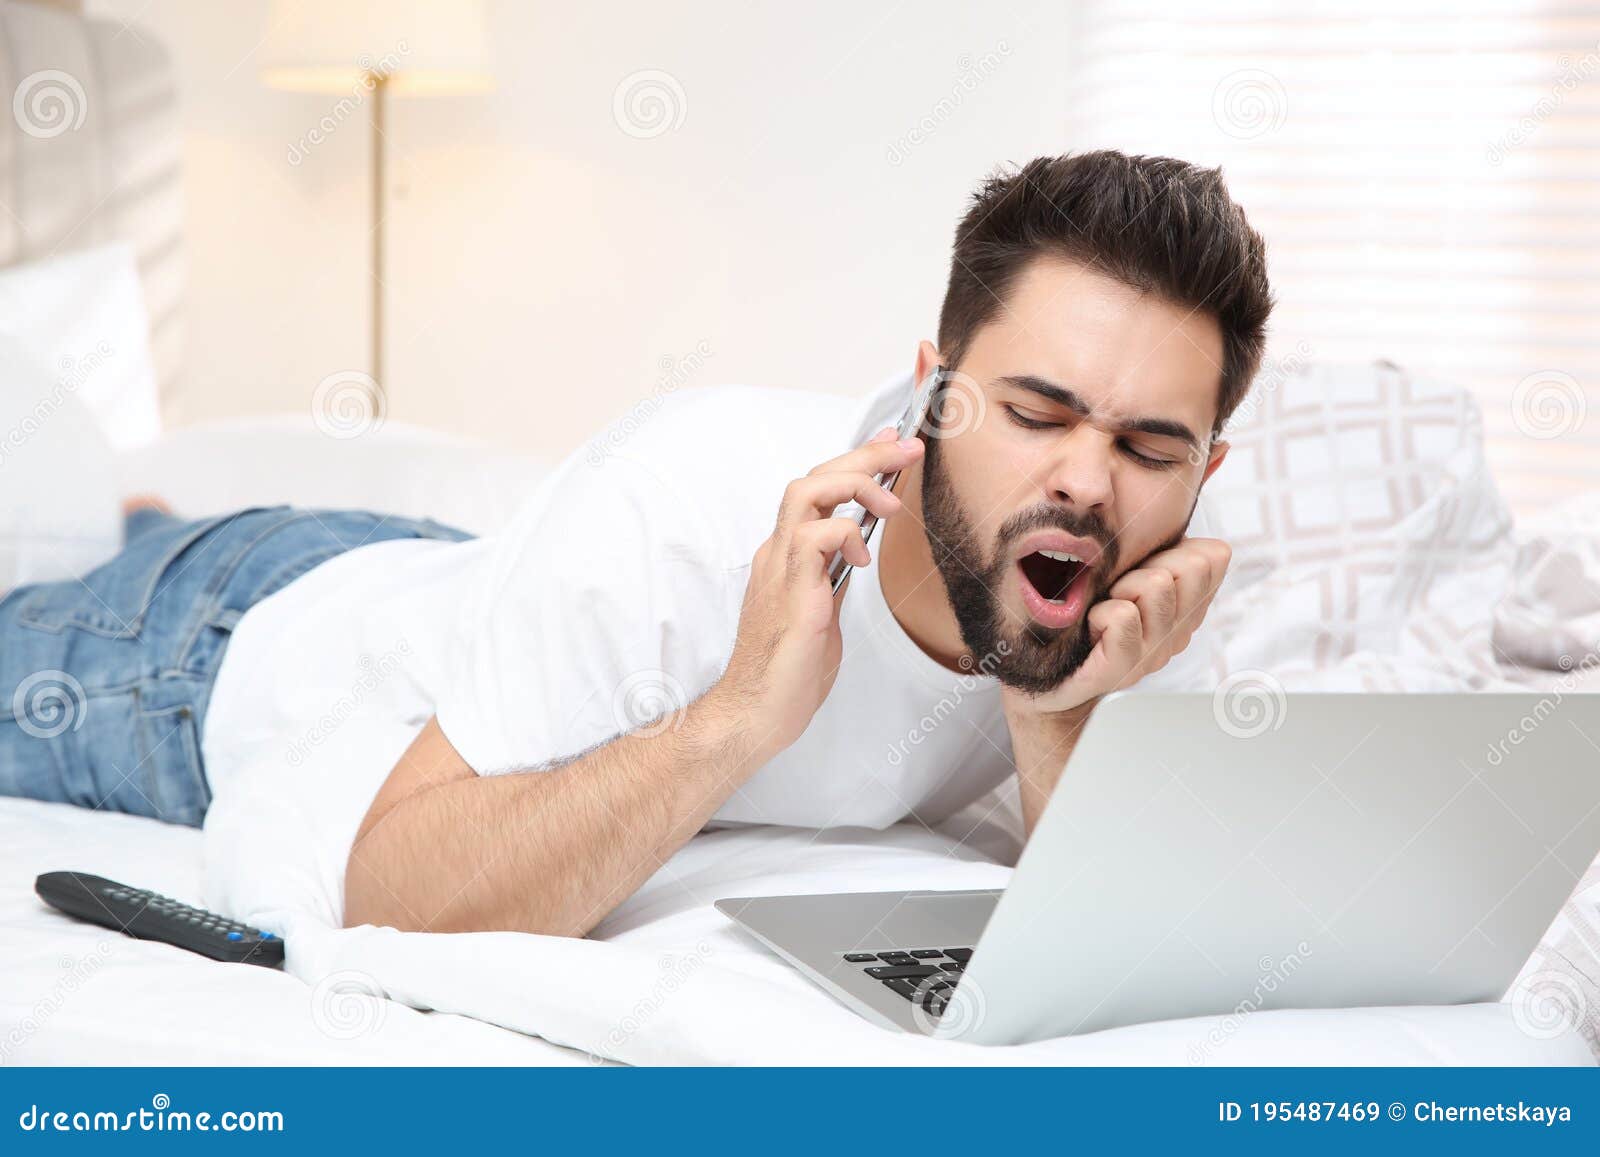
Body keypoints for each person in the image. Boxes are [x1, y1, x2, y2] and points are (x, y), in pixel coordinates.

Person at [0, 150, 1271, 937]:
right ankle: (154, 537)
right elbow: (395, 893)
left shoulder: (1150, 580)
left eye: (1148, 448)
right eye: (1037, 412)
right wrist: (732, 718)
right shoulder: (685, 490)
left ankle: (155, 519)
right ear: (931, 390)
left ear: (1202, 469)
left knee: (464, 573)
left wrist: (1053, 713)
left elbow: (1122, 941)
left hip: (459, 570)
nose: (1086, 484)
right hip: (213, 650)